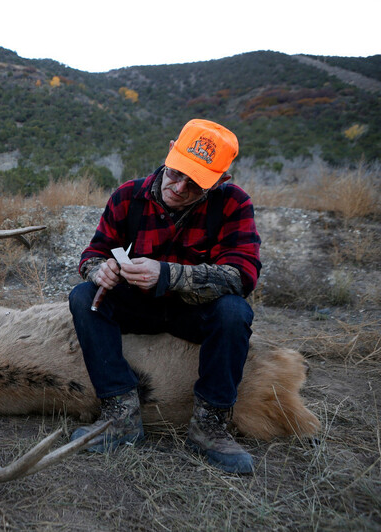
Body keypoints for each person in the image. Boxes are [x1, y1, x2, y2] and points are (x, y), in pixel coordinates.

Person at [68, 119, 261, 474]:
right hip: (139, 304)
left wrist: (169, 274)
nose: (179, 187)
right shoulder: (128, 195)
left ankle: (209, 428)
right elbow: (91, 254)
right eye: (176, 173)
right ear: (171, 149)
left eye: (195, 183)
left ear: (220, 182)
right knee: (84, 297)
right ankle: (121, 418)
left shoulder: (234, 204)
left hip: (196, 311)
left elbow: (242, 276)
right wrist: (99, 270)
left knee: (234, 313)